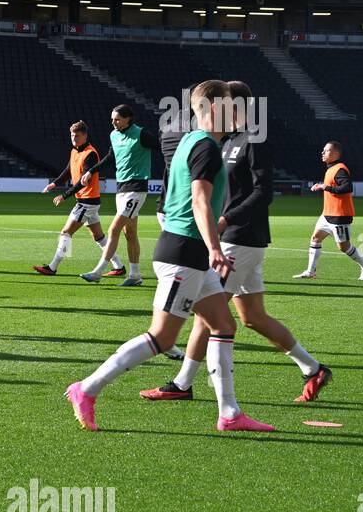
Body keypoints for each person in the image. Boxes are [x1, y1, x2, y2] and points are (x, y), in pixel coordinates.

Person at [65, 79, 274, 434]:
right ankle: (86, 389)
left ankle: (230, 413)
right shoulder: (206, 147)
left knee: (223, 325)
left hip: (187, 252)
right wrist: (215, 248)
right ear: (211, 108)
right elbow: (200, 202)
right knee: (162, 338)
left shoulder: (195, 141)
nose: (238, 110)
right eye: (230, 103)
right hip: (184, 254)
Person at [143, 81, 332, 404]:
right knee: (252, 317)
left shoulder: (255, 140)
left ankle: (182, 383)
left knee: (209, 315)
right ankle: (312, 368)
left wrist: (225, 220)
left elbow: (263, 192)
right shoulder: (226, 141)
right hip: (238, 239)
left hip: (239, 239)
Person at [33, 120, 124, 277]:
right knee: (99, 237)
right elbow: (69, 170)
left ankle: (53, 267)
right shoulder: (75, 150)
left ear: (85, 136)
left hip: (87, 201)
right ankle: (119, 266)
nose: (74, 139)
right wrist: (54, 184)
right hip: (88, 201)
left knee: (66, 232)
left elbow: (84, 181)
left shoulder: (91, 154)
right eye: (72, 135)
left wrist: (64, 195)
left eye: (77, 136)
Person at [79, 104, 156, 286]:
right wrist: (91, 171)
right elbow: (110, 157)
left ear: (128, 118)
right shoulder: (114, 135)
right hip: (121, 189)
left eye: (117, 119)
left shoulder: (142, 134)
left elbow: (162, 148)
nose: (113, 122)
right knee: (130, 233)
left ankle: (98, 272)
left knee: (113, 229)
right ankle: (135, 276)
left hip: (137, 188)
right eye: (112, 119)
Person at [294, 141, 363, 281]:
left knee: (344, 247)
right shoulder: (331, 169)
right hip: (327, 214)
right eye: (323, 150)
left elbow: (347, 188)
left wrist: (325, 187)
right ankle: (310, 271)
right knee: (315, 238)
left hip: (339, 216)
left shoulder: (340, 169)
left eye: (326, 150)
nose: (323, 153)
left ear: (336, 153)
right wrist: (323, 186)